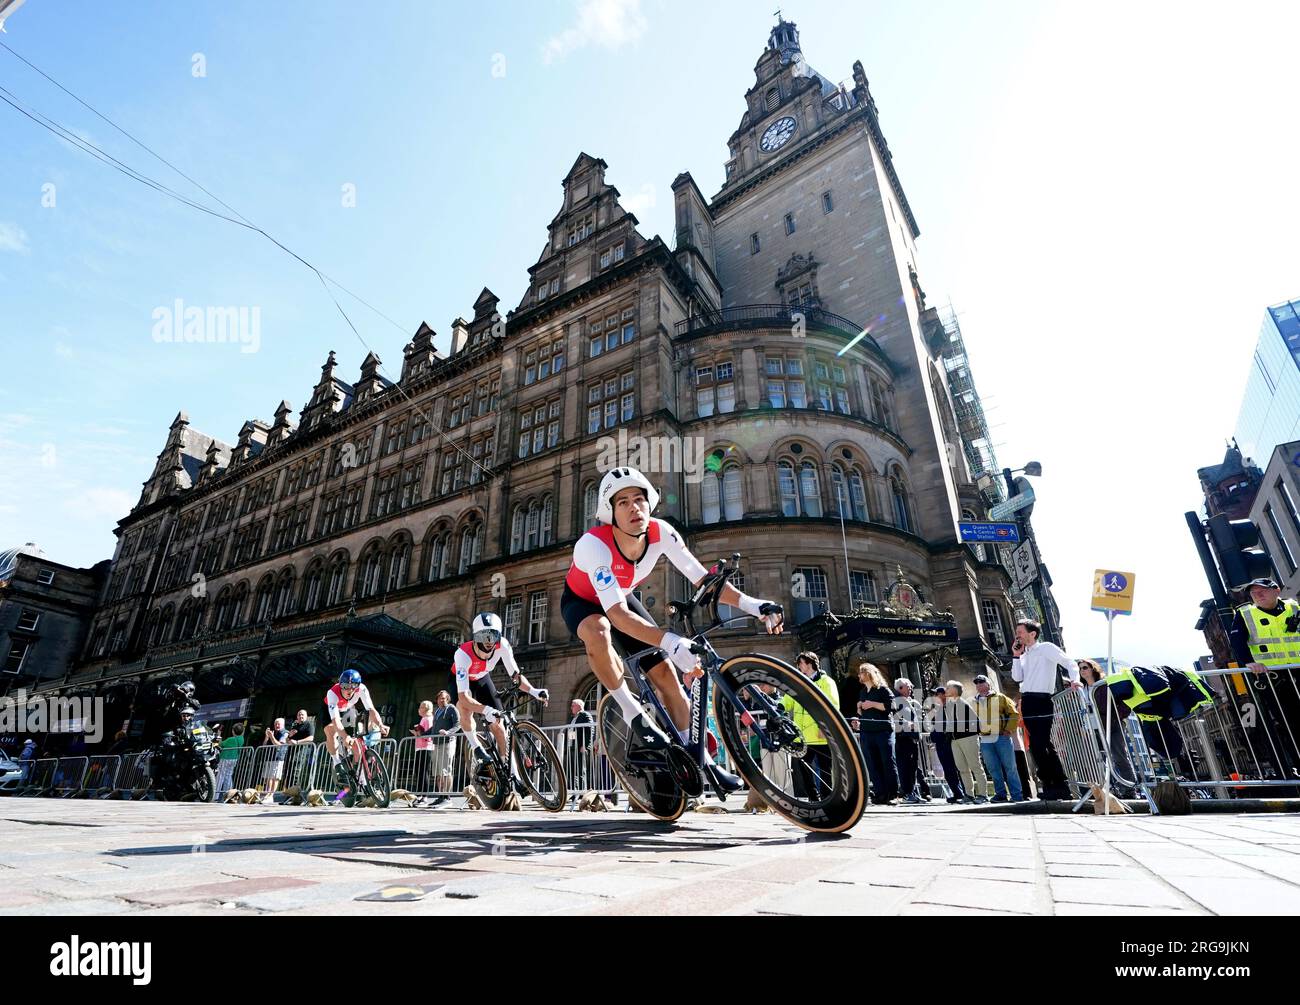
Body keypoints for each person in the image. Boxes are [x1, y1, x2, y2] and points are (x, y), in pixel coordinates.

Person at [561, 467, 782, 792]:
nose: (634, 507)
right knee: (599, 629)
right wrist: (672, 641)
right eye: (623, 502)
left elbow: (703, 581)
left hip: (621, 599)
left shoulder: (661, 532)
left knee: (668, 679)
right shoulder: (593, 545)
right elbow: (617, 616)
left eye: (639, 499)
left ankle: (700, 764)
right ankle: (632, 712)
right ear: (610, 511)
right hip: (584, 604)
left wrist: (753, 605)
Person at [452, 612, 549, 772]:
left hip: (482, 678)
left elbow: (516, 677)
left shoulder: (502, 645)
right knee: (465, 710)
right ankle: (476, 747)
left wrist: (534, 691)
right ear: (476, 637)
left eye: (493, 635)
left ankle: (510, 769)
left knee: (499, 724)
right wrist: (486, 710)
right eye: (484, 635)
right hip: (462, 680)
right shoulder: (463, 654)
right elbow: (463, 698)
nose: (489, 641)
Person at [1228, 576, 1300, 776]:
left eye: (1262, 591)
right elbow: (1237, 642)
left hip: (1297, 669)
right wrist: (1249, 663)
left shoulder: (1294, 608)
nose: (1257, 595)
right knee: (1288, 721)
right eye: (1253, 593)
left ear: (1276, 590)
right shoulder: (1245, 613)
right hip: (1272, 676)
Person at [1010, 619, 1079, 800]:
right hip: (1028, 701)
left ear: (1032, 633)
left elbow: (1069, 661)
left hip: (1042, 700)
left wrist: (1074, 679)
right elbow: (1017, 677)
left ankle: (1060, 784)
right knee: (1035, 744)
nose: (1017, 635)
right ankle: (1049, 784)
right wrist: (1016, 656)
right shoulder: (1023, 655)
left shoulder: (1046, 648)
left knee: (1043, 742)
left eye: (1020, 631)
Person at [1076, 659, 1139, 798]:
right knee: (1097, 760)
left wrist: (1116, 718)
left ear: (1093, 669)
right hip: (1093, 729)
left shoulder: (1104, 685)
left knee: (1119, 758)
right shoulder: (1082, 689)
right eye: (1080, 668)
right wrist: (1084, 726)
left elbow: (1124, 703)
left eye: (1085, 667)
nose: (1082, 670)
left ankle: (1129, 791)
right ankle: (1107, 791)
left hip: (1112, 726)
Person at [781, 652, 840, 800]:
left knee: (825, 770)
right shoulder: (798, 682)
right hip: (802, 737)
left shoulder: (826, 682)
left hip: (820, 735)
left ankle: (827, 798)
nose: (799, 666)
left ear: (809, 663)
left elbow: (832, 705)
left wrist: (824, 727)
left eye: (800, 663)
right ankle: (813, 798)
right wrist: (777, 706)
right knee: (804, 770)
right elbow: (788, 700)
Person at [323, 669, 390, 797]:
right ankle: (336, 761)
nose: (349, 690)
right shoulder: (332, 693)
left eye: (353, 687)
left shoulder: (362, 689)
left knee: (358, 747)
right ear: (340, 685)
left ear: (357, 686)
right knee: (331, 731)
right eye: (345, 687)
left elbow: (371, 709)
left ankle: (358, 777)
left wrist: (381, 725)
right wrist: (345, 736)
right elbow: (336, 720)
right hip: (332, 712)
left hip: (348, 710)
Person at [973, 674, 1023, 803]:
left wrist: (1008, 729)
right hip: (985, 739)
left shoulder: (1000, 697)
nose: (979, 684)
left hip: (1001, 736)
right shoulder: (974, 701)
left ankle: (1016, 795)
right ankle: (1000, 794)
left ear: (988, 684)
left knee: (1010, 767)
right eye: (977, 682)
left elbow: (1014, 713)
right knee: (993, 769)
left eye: (981, 681)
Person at [854, 662, 898, 805]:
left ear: (869, 673)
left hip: (883, 731)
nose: (859, 674)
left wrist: (872, 704)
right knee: (872, 764)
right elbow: (863, 712)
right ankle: (880, 794)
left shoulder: (883, 690)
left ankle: (892, 795)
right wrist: (859, 709)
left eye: (862, 671)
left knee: (887, 762)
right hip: (867, 731)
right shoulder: (862, 692)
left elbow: (892, 707)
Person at [946, 681, 987, 803]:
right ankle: (969, 795)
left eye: (948, 688)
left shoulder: (963, 704)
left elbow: (977, 723)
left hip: (968, 738)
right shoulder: (949, 705)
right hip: (955, 740)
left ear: (955, 690)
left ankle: (983, 795)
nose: (946, 690)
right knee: (962, 768)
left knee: (975, 766)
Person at [926, 686, 965, 803]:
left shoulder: (951, 707)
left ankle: (965, 793)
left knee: (958, 768)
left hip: (951, 742)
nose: (935, 697)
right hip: (940, 743)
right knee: (948, 770)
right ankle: (957, 793)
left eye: (938, 694)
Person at [892, 678, 928, 803]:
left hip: (912, 739)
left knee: (912, 768)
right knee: (904, 768)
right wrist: (905, 725)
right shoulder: (895, 701)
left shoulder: (908, 701)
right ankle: (907, 793)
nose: (911, 689)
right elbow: (893, 720)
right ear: (901, 688)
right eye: (909, 687)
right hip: (902, 739)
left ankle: (912, 793)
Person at [429, 690, 459, 802]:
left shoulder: (451, 709)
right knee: (438, 771)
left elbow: (458, 724)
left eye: (443, 698)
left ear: (448, 699)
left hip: (447, 742)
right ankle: (440, 795)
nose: (441, 700)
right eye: (439, 698)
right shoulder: (437, 711)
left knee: (446, 770)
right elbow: (433, 728)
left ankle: (447, 796)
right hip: (436, 743)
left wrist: (448, 732)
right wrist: (421, 733)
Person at [411, 700, 437, 799]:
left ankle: (424, 795)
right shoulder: (424, 719)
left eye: (421, 707)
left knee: (423, 771)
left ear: (426, 708)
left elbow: (428, 735)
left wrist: (418, 732)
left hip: (426, 747)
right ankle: (420, 794)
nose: (419, 709)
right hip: (421, 748)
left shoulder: (428, 719)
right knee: (419, 771)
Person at [567, 698, 594, 792]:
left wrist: (585, 745)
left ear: (579, 706)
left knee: (581, 770)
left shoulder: (585, 715)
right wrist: (570, 744)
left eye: (573, 705)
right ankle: (576, 791)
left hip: (581, 747)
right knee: (574, 770)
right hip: (573, 747)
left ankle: (582, 791)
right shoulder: (574, 718)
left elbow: (590, 730)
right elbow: (572, 732)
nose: (571, 708)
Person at [262, 717, 289, 803]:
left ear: (283, 724)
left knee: (275, 777)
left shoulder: (285, 733)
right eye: (275, 723)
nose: (276, 725)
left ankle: (271, 795)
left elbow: (279, 745)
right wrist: (267, 737)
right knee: (268, 777)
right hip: (269, 757)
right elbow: (264, 746)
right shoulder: (273, 732)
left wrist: (272, 736)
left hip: (278, 758)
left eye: (278, 723)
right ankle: (267, 794)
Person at [216, 721, 245, 794]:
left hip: (225, 758)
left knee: (220, 776)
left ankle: (215, 795)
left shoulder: (230, 739)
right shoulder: (242, 739)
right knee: (228, 776)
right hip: (234, 759)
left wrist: (219, 735)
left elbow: (221, 744)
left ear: (233, 731)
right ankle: (229, 794)